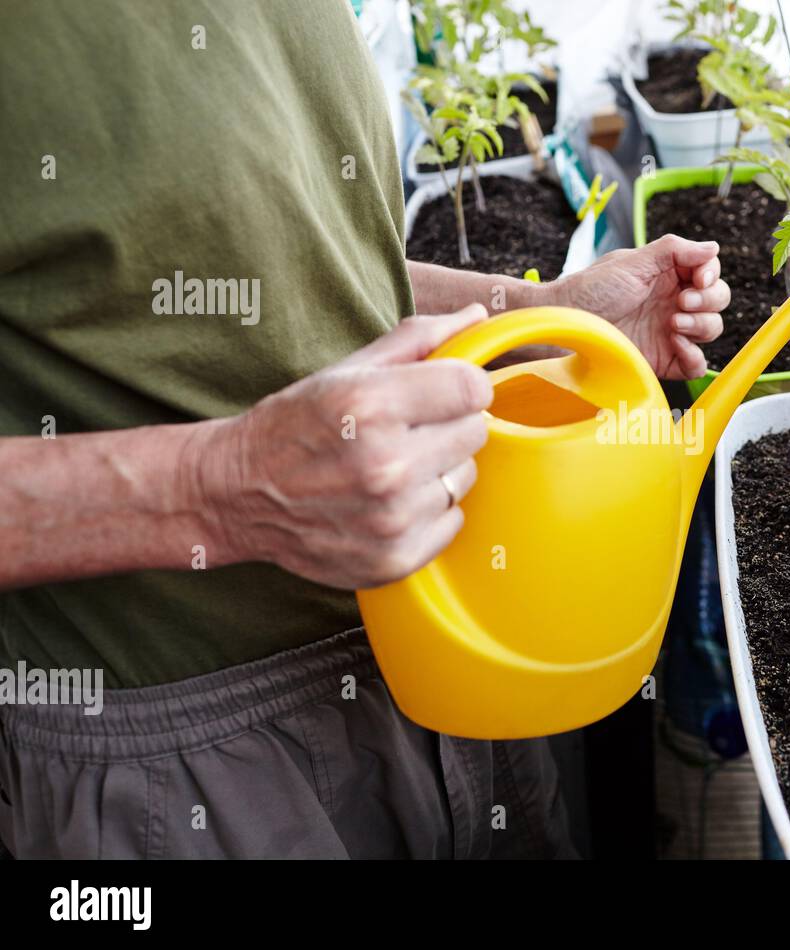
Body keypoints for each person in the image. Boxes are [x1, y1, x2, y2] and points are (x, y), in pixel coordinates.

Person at [0, 1, 729, 858]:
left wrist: (533, 311)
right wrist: (220, 490)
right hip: (195, 749)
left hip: (445, 648)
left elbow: (307, 257)